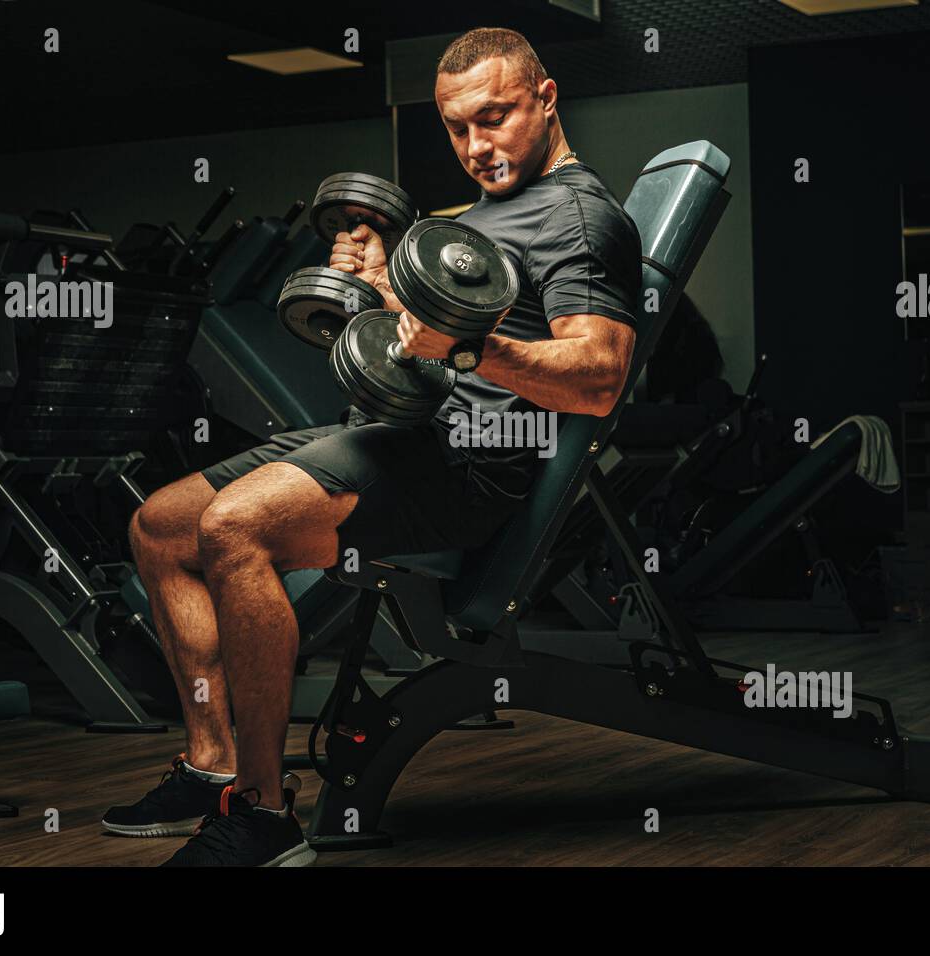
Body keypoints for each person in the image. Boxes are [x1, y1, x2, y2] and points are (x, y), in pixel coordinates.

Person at [102, 26, 643, 866]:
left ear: (546, 98)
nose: (475, 146)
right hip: (409, 434)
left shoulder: (579, 219)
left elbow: (598, 375)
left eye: (494, 118)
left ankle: (263, 811)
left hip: (471, 463)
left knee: (234, 528)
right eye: (457, 127)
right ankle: (210, 765)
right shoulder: (496, 208)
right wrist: (385, 283)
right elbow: (455, 313)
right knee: (162, 528)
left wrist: (465, 348)